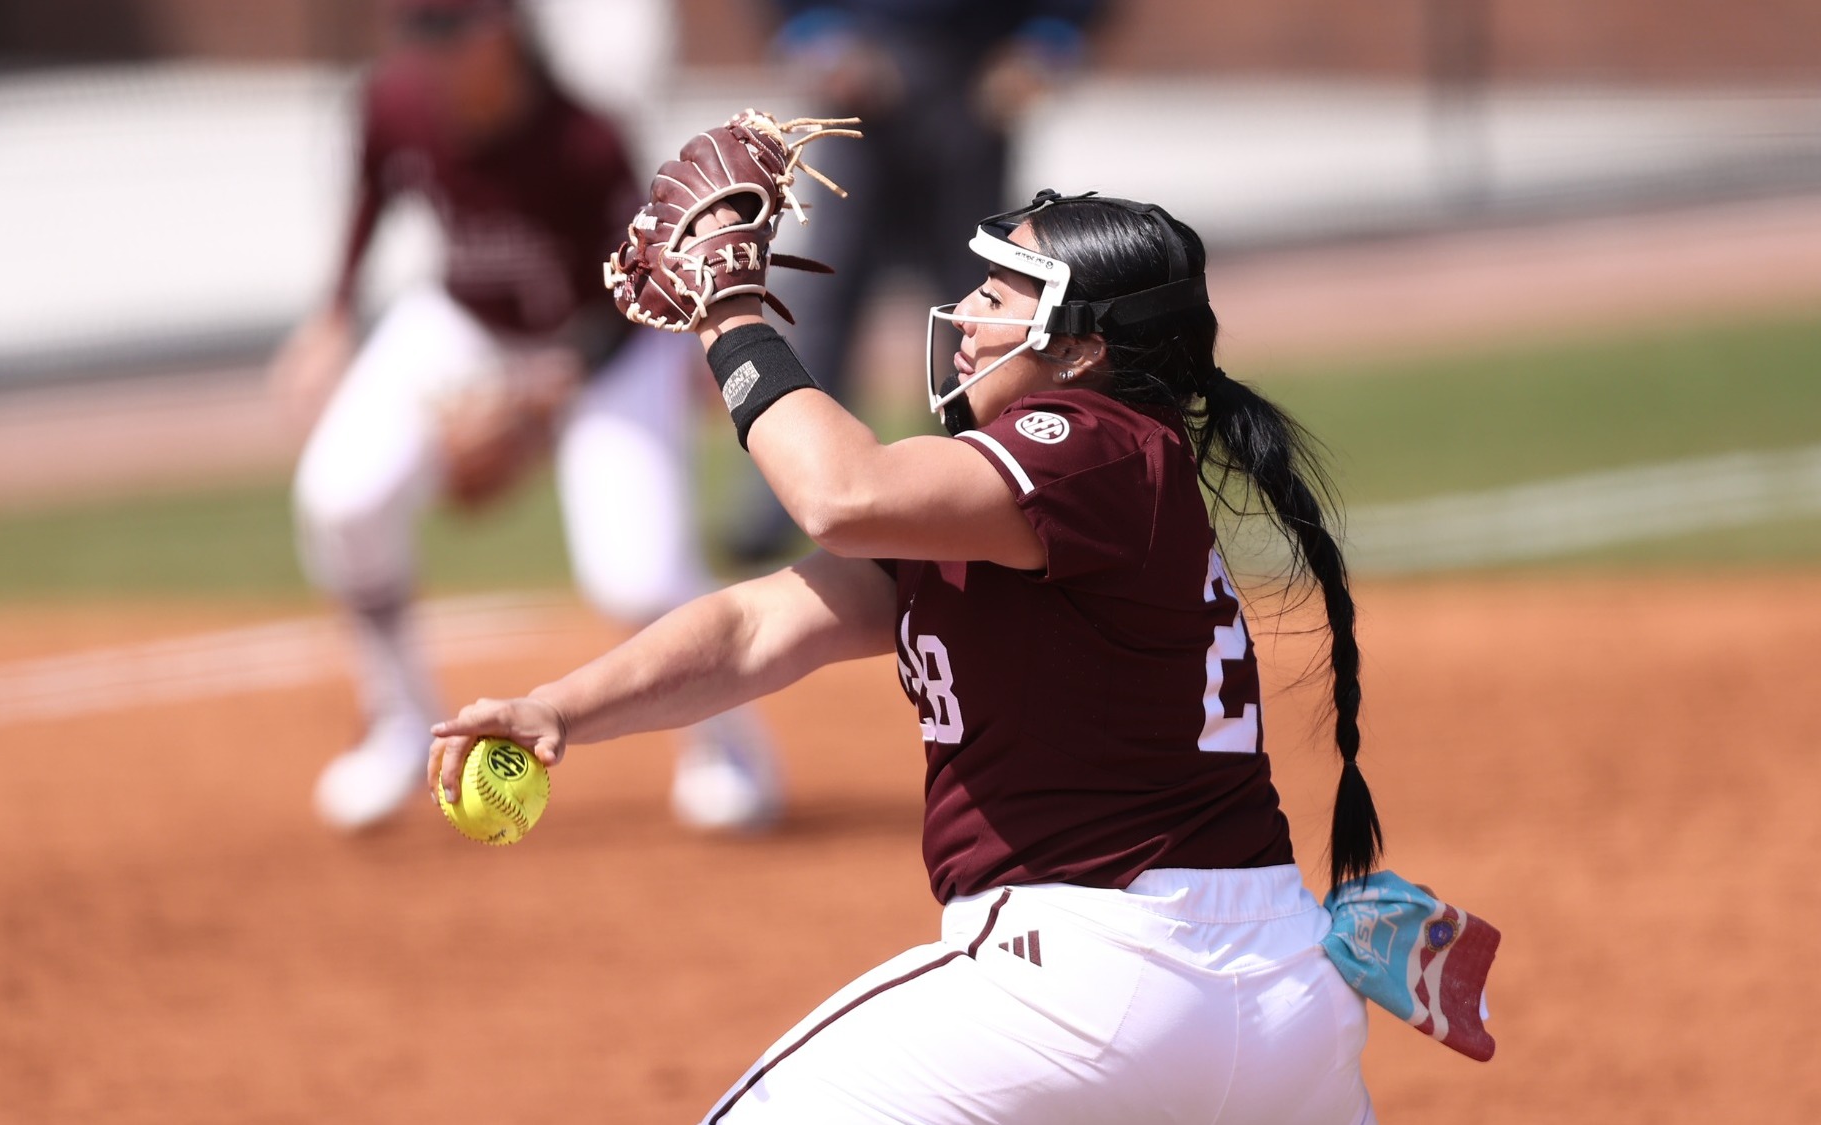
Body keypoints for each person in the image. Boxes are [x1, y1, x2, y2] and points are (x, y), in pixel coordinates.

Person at [429, 187, 1394, 1122]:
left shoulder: (1087, 444)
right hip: (1282, 1001)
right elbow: (758, 626)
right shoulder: (1036, 498)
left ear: (1084, 348)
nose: (966, 317)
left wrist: (731, 312)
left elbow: (839, 493)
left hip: (1098, 982)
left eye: (999, 293)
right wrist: (560, 707)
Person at [274, 0, 781, 834]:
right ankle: (402, 721)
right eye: (414, 32)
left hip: (611, 342)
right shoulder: (396, 102)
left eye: (448, 29)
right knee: (341, 497)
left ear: (502, 28)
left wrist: (542, 400)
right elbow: (371, 191)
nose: (427, 51)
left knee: (637, 577)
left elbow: (641, 287)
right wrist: (332, 315)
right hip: (465, 324)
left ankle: (726, 744)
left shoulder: (582, 139)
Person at [721, 0, 1104, 564]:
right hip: (858, 81)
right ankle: (782, 490)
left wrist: (1046, 45)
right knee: (824, 296)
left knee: (982, 300)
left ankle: (979, 476)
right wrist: (816, 37)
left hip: (977, 81)